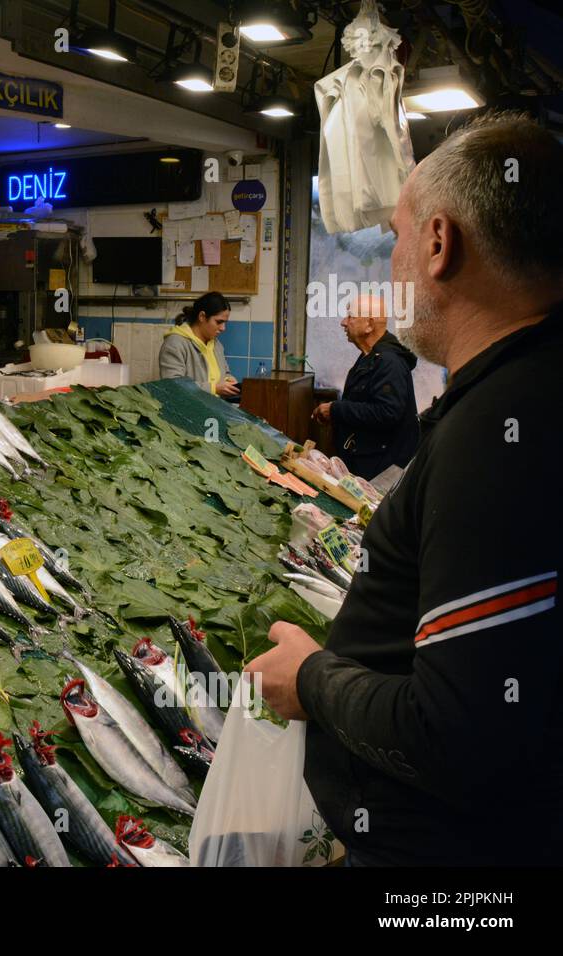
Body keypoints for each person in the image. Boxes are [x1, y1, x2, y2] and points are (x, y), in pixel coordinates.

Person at [247, 111, 563, 865]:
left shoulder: (502, 430)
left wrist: (313, 678)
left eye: (395, 235)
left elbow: (460, 735)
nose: (392, 262)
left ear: (439, 242)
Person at [311, 294, 420, 478]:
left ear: (369, 324)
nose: (343, 322)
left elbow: (387, 412)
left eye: (351, 317)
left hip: (381, 471)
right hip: (365, 462)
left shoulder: (389, 363)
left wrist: (335, 410)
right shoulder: (370, 357)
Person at [157, 292, 240, 398]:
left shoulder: (216, 345)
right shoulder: (175, 344)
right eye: (219, 322)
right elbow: (173, 386)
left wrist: (228, 380)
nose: (223, 328)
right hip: (188, 411)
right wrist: (213, 388)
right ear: (202, 317)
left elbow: (225, 373)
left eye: (225, 323)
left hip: (213, 409)